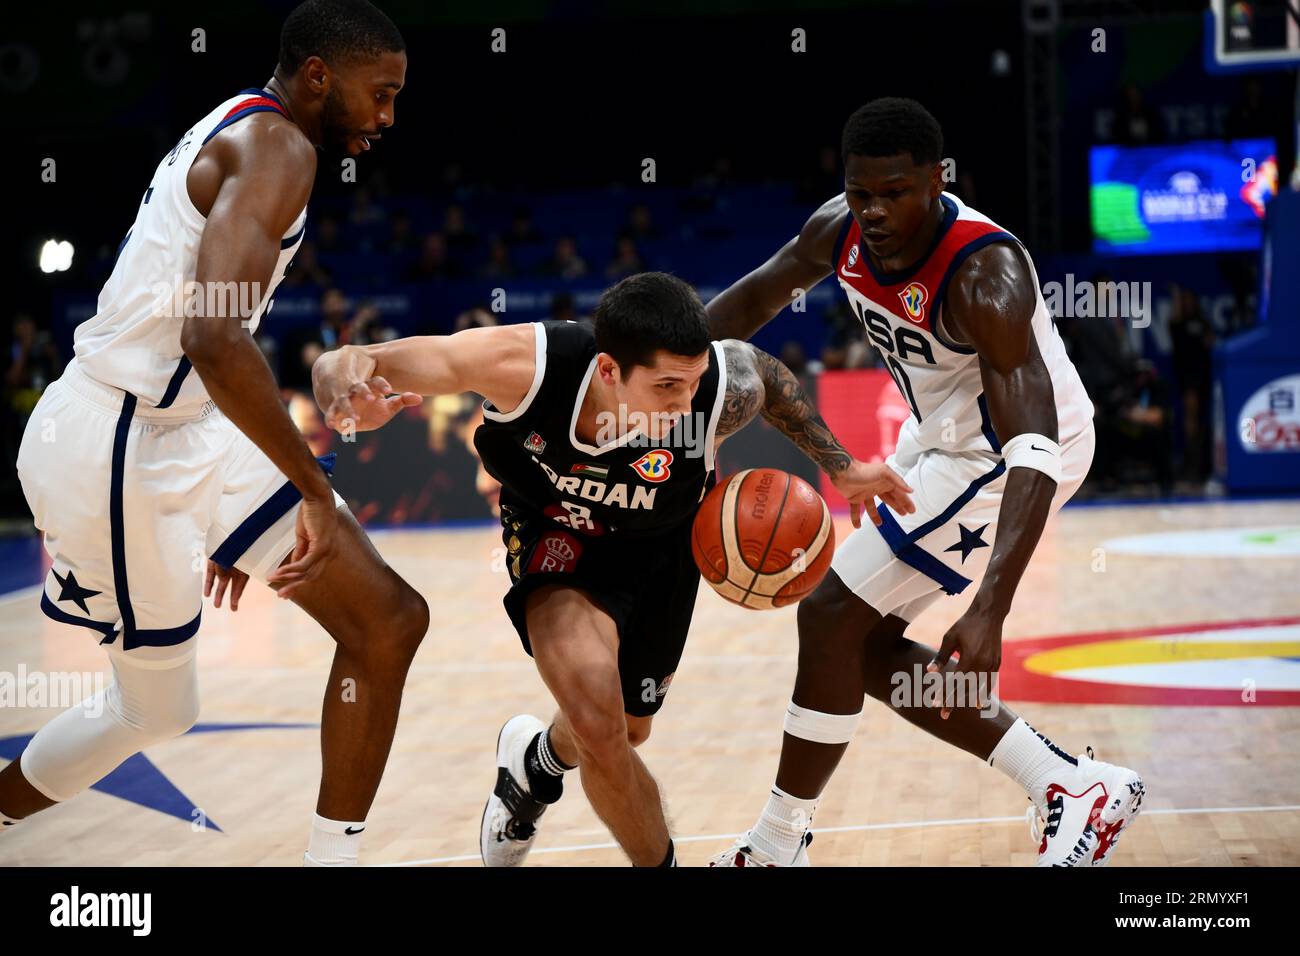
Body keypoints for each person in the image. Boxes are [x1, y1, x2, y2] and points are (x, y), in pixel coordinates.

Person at [2, 0, 427, 867]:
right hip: (117, 439)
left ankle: (331, 862)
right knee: (156, 710)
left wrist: (232, 508)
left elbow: (212, 338)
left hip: (183, 423)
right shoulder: (278, 147)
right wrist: (309, 485)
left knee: (387, 620)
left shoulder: (251, 127)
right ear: (319, 76)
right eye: (378, 94)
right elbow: (213, 336)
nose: (387, 118)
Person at [311, 272, 914, 866]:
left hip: (664, 546)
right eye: (667, 386)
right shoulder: (527, 367)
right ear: (607, 370)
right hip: (558, 538)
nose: (684, 403)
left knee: (627, 730)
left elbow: (772, 381)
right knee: (599, 728)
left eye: (694, 382)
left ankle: (536, 764)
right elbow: (348, 361)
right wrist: (345, 399)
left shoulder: (714, 390)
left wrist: (840, 467)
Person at [705, 97, 1145, 867]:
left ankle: (776, 846)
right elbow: (755, 298)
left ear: (938, 180)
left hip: (1016, 449)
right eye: (861, 191)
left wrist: (991, 609)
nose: (873, 210)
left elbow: (1032, 444)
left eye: (895, 192)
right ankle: (1070, 785)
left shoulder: (986, 274)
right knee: (863, 647)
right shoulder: (839, 230)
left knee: (831, 613)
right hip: (939, 434)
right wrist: (656, 364)